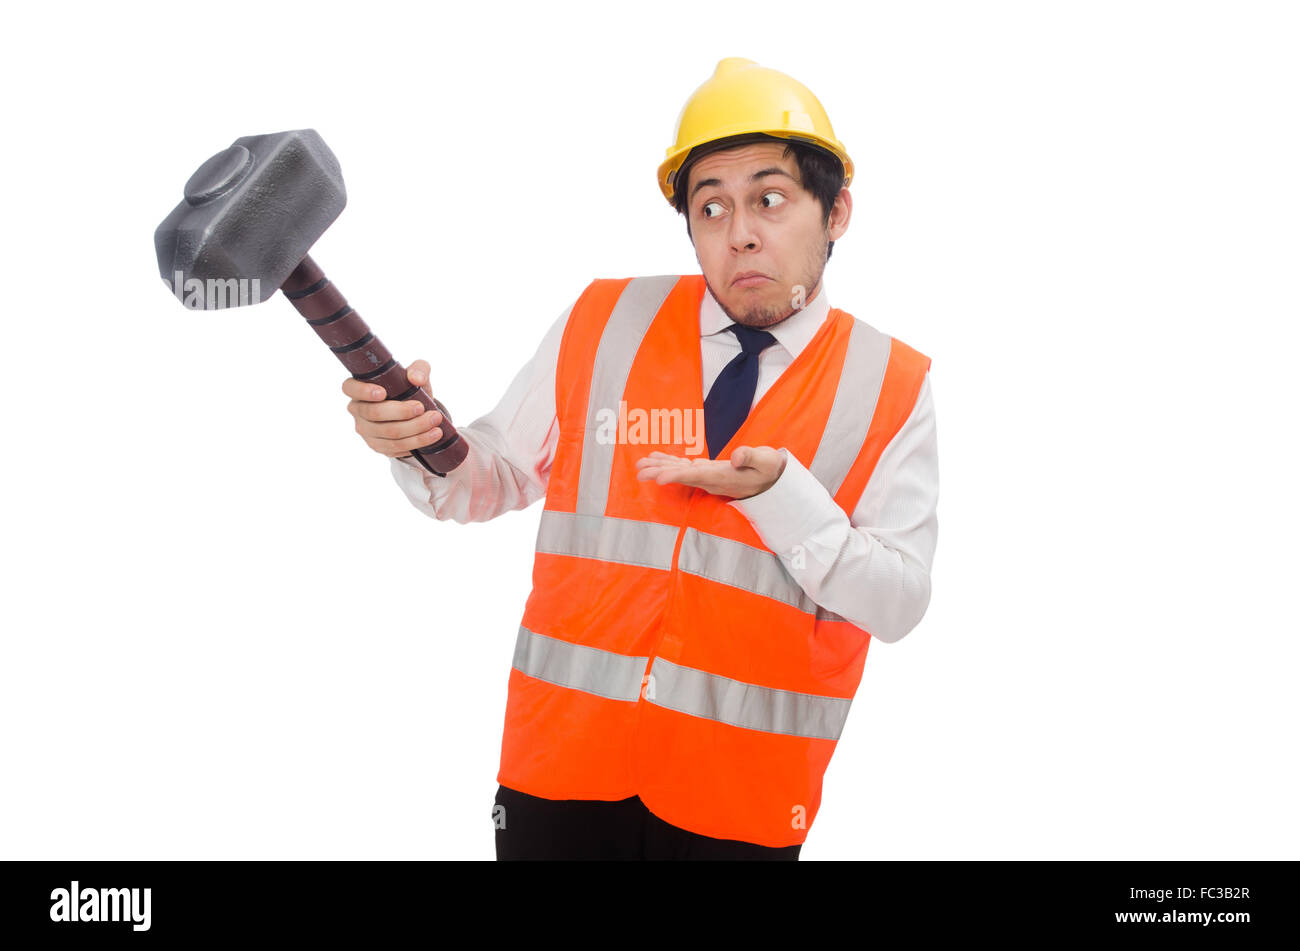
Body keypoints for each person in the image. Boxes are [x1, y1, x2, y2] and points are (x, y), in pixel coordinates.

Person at [342, 58, 939, 860]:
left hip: (741, 797)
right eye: (711, 207)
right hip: (559, 769)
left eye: (770, 198)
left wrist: (784, 498)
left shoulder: (891, 384)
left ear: (836, 212)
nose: (741, 233)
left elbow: (900, 602)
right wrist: (424, 446)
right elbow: (491, 476)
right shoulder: (605, 318)